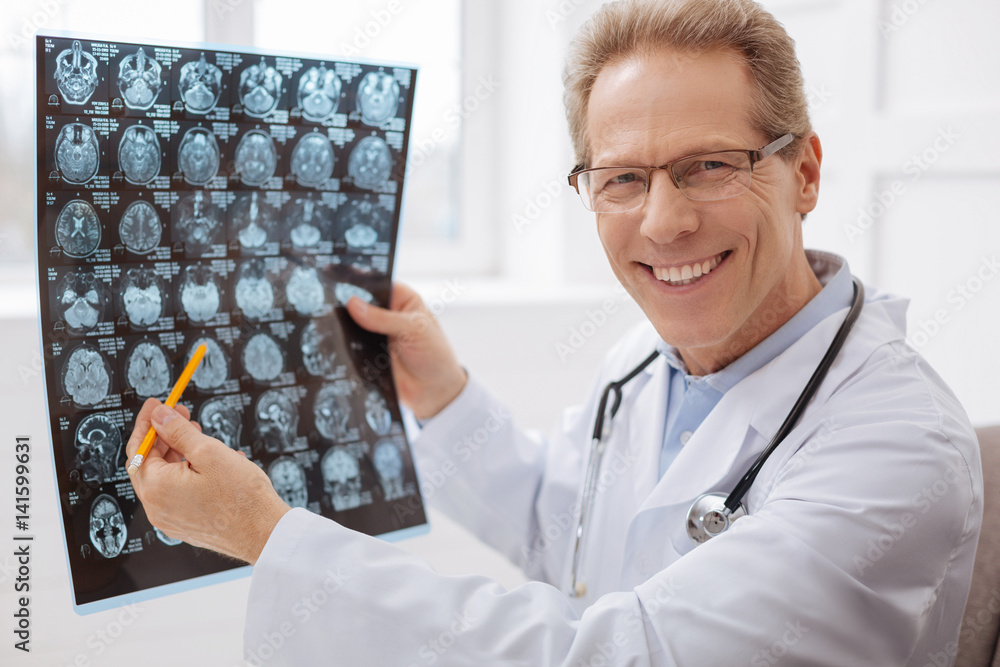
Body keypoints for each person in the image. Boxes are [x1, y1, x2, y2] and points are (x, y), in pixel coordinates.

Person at [126, 0, 983, 664]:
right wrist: (442, 391)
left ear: (805, 173)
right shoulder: (647, 363)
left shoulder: (895, 446)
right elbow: (561, 525)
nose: (664, 220)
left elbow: (628, 652)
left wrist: (265, 534)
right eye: (622, 179)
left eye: (710, 165)